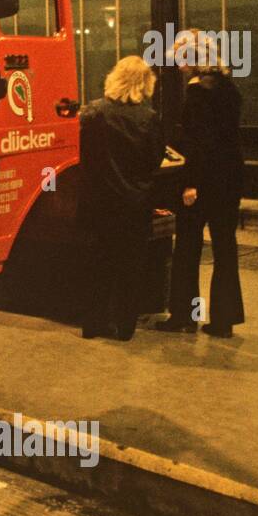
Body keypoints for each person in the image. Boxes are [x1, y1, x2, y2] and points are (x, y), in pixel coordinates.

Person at [156, 30, 246, 337]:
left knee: (187, 248)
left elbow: (199, 144)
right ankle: (224, 320)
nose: (177, 63)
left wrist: (190, 184)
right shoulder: (229, 88)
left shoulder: (198, 92)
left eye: (181, 56)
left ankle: (183, 315)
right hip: (230, 180)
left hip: (203, 182)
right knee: (225, 249)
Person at [78, 56, 165, 341]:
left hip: (99, 201)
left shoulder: (93, 113)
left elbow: (85, 158)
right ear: (144, 84)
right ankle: (125, 326)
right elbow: (154, 159)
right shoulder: (149, 118)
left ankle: (93, 324)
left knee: (97, 264)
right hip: (134, 204)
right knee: (131, 266)